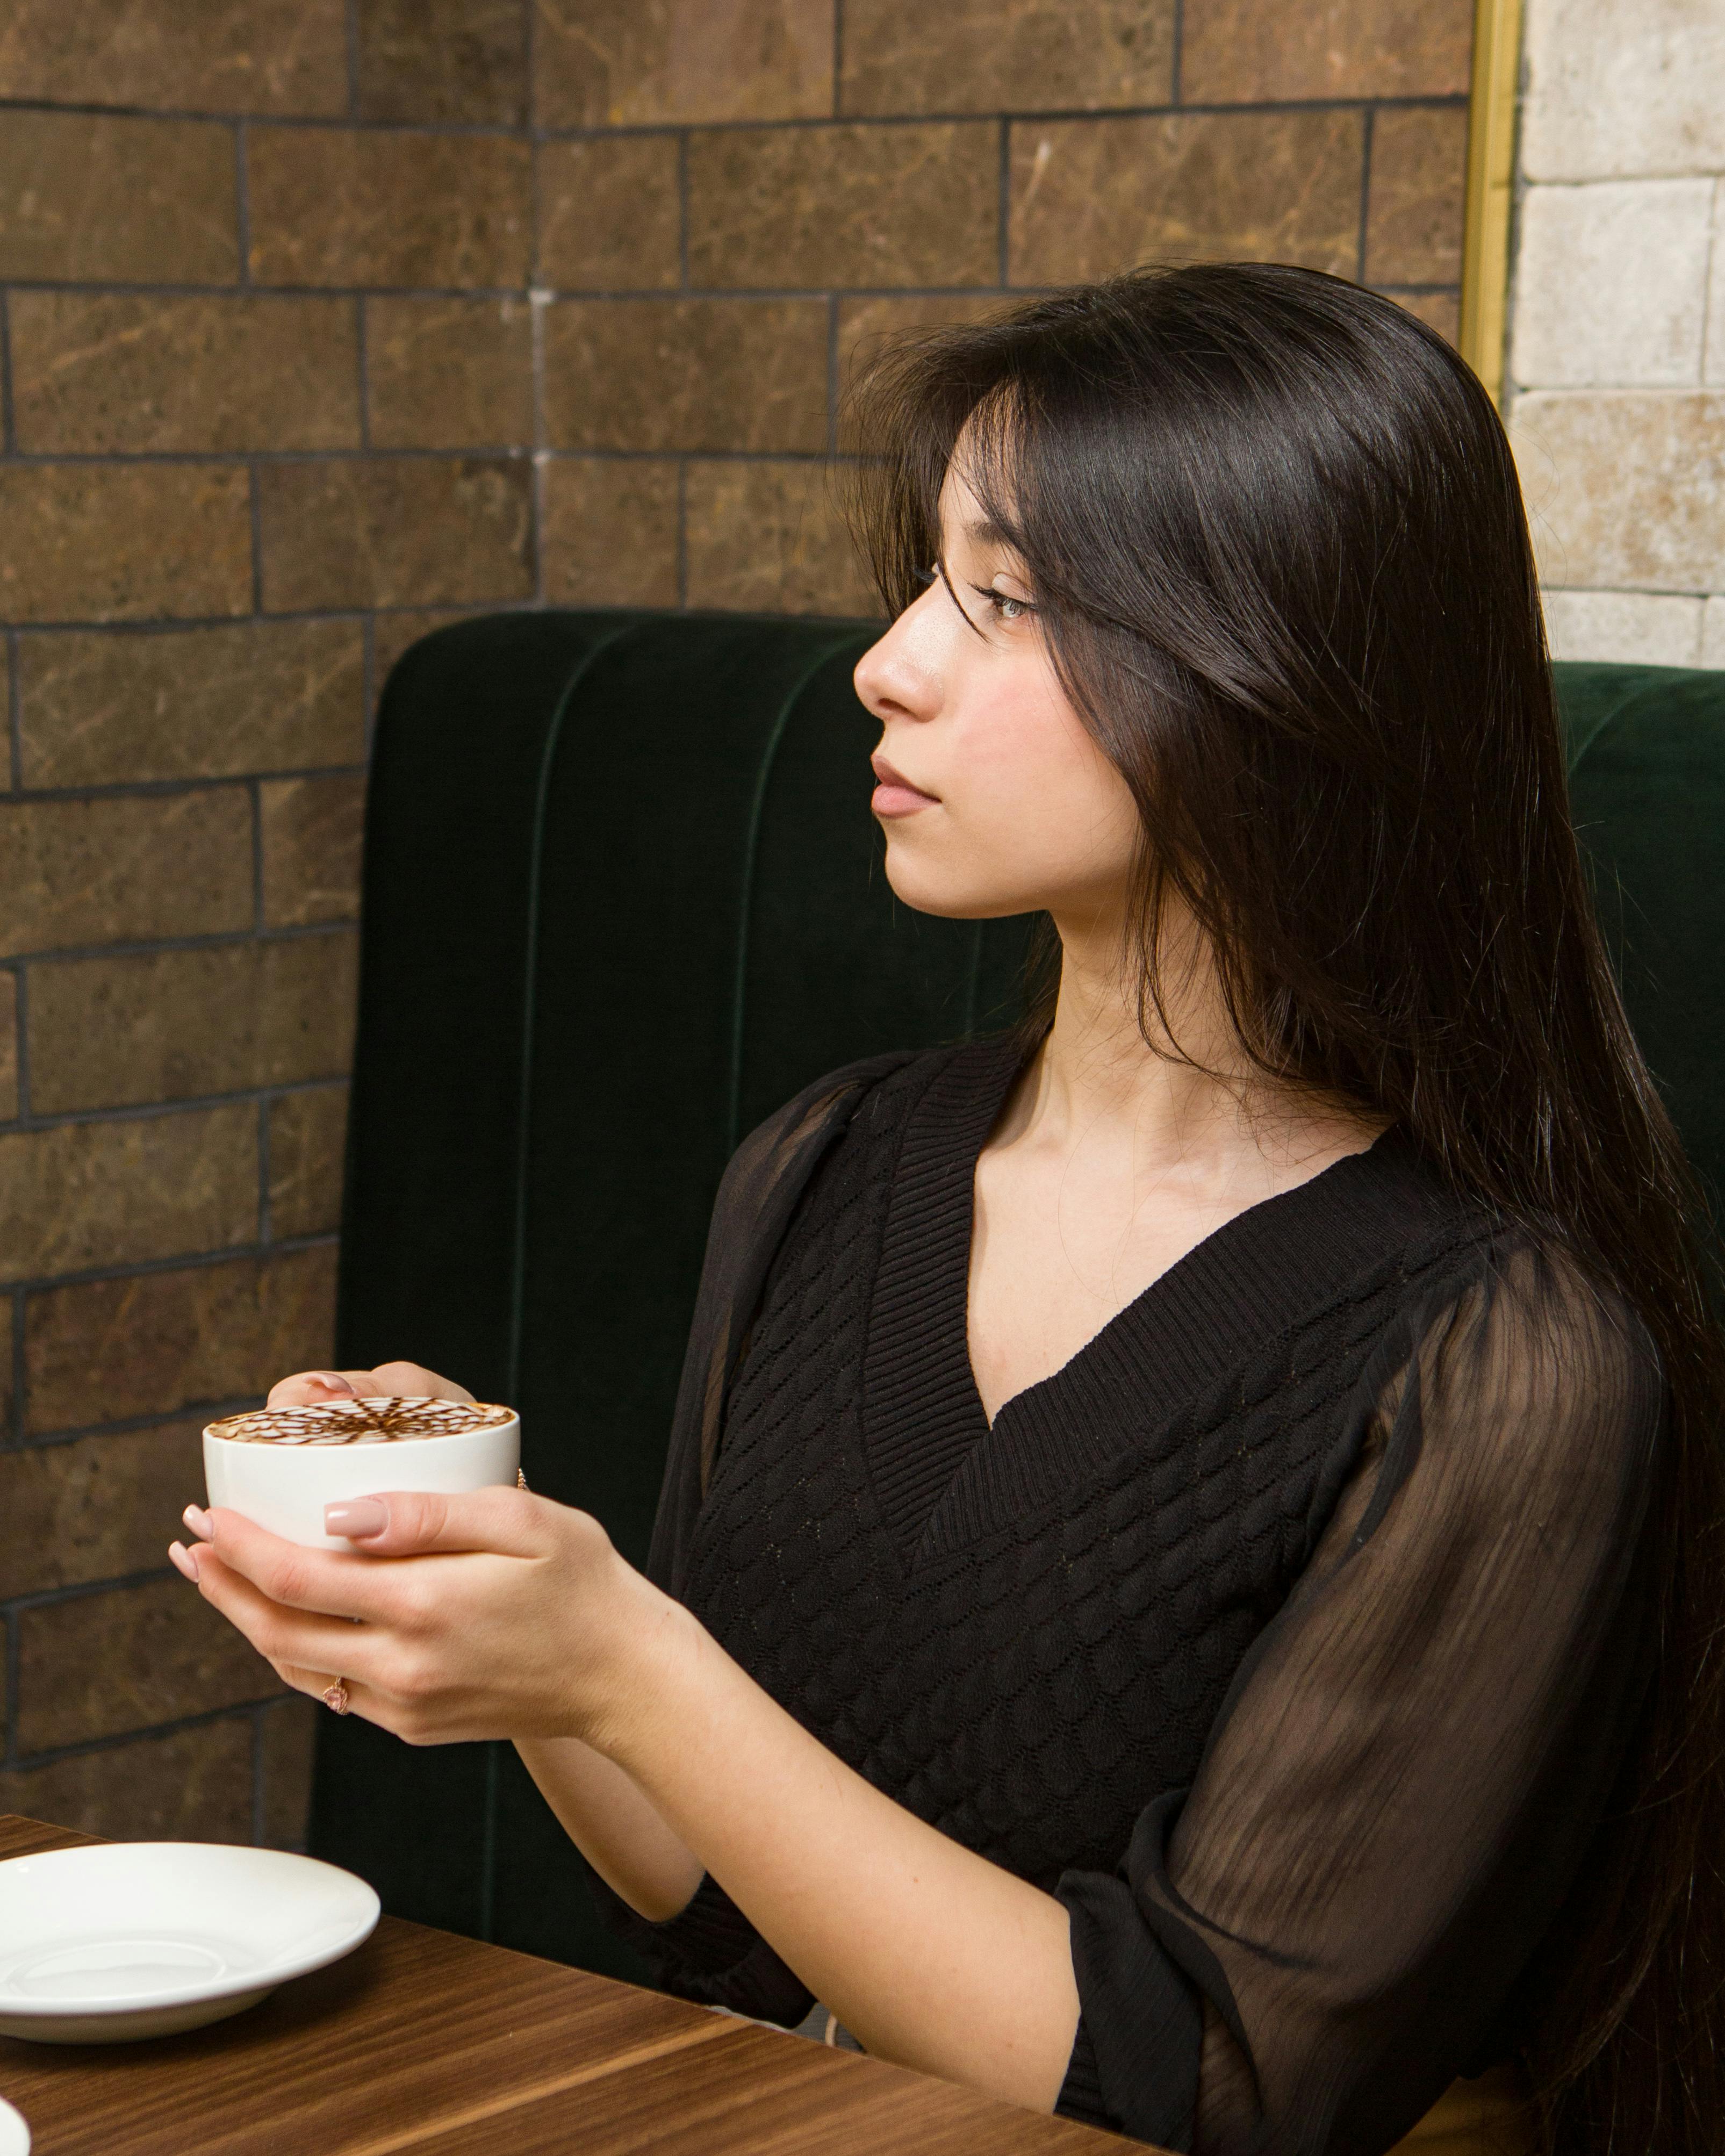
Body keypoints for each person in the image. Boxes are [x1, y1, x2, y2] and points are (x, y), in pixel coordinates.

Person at [171, 265, 1725, 2156]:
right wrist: (495, 1590)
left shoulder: (1499, 1351)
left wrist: (628, 1663)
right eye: (926, 580)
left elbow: (1224, 2093)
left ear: (1274, 672)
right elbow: (716, 1890)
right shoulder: (833, 1161)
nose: (888, 660)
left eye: (1004, 598)